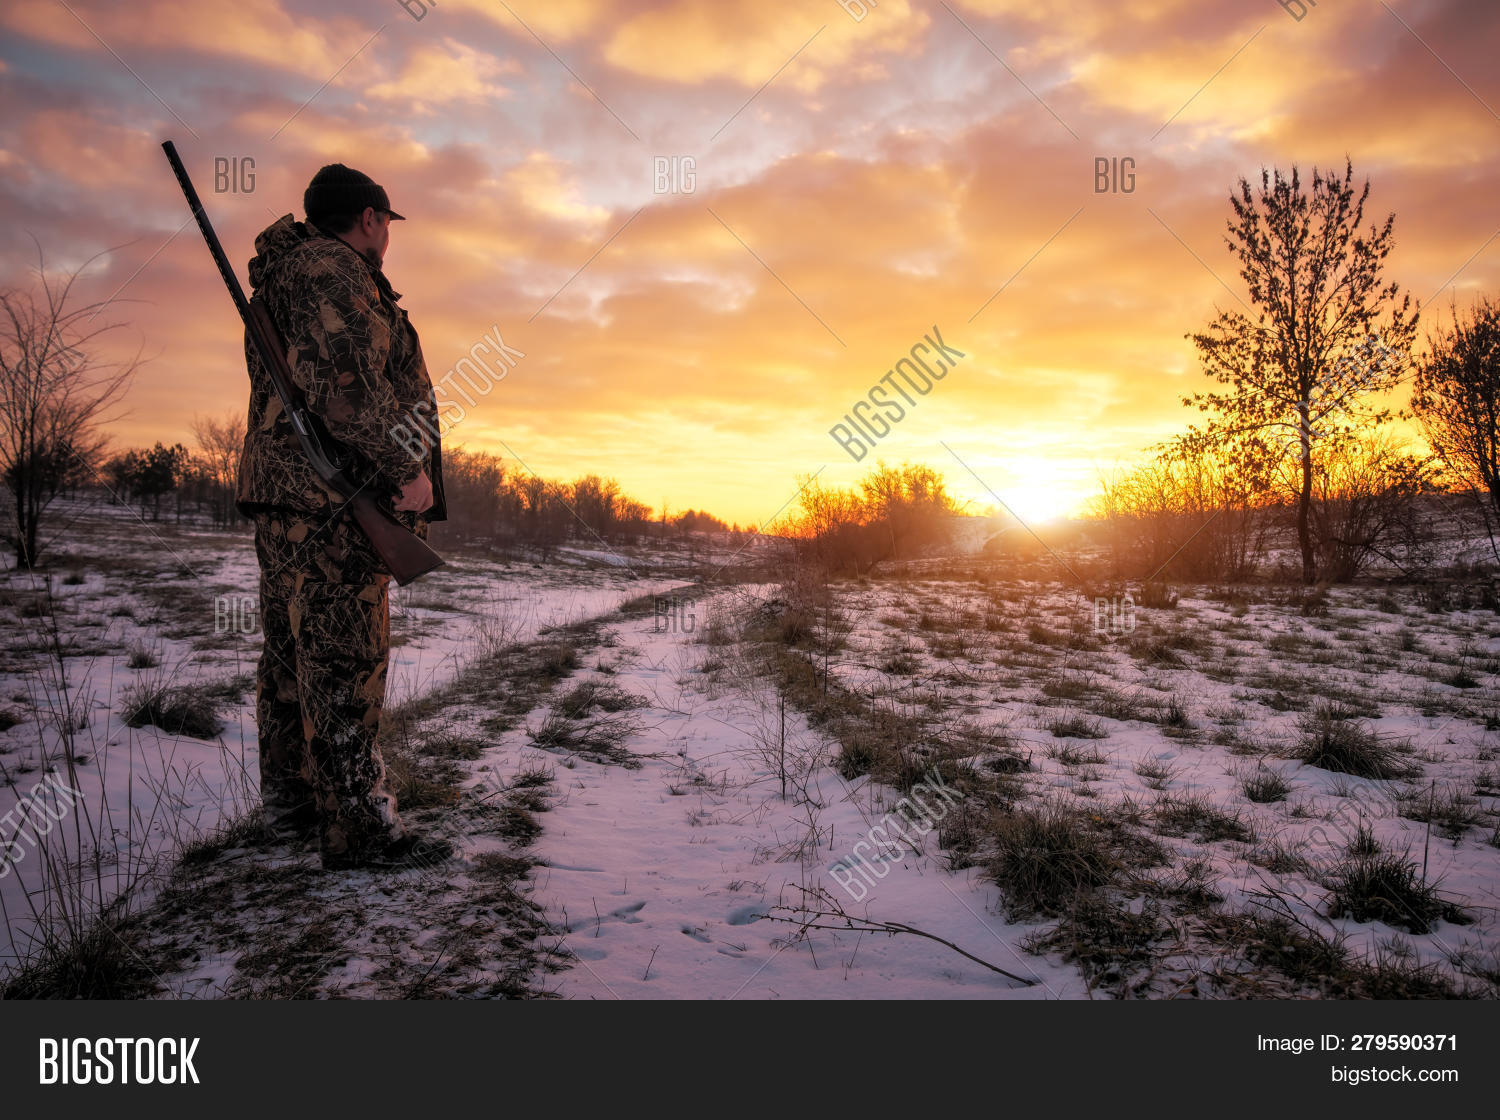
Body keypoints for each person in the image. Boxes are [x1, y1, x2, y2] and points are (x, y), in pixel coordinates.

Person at [236, 163, 454, 871]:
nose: (387, 235)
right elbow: (346, 393)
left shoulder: (288, 274)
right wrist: (405, 470)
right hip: (333, 506)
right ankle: (359, 831)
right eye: (386, 222)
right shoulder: (333, 271)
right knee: (343, 660)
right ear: (370, 218)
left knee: (292, 657)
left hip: (291, 499)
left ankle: (293, 809)